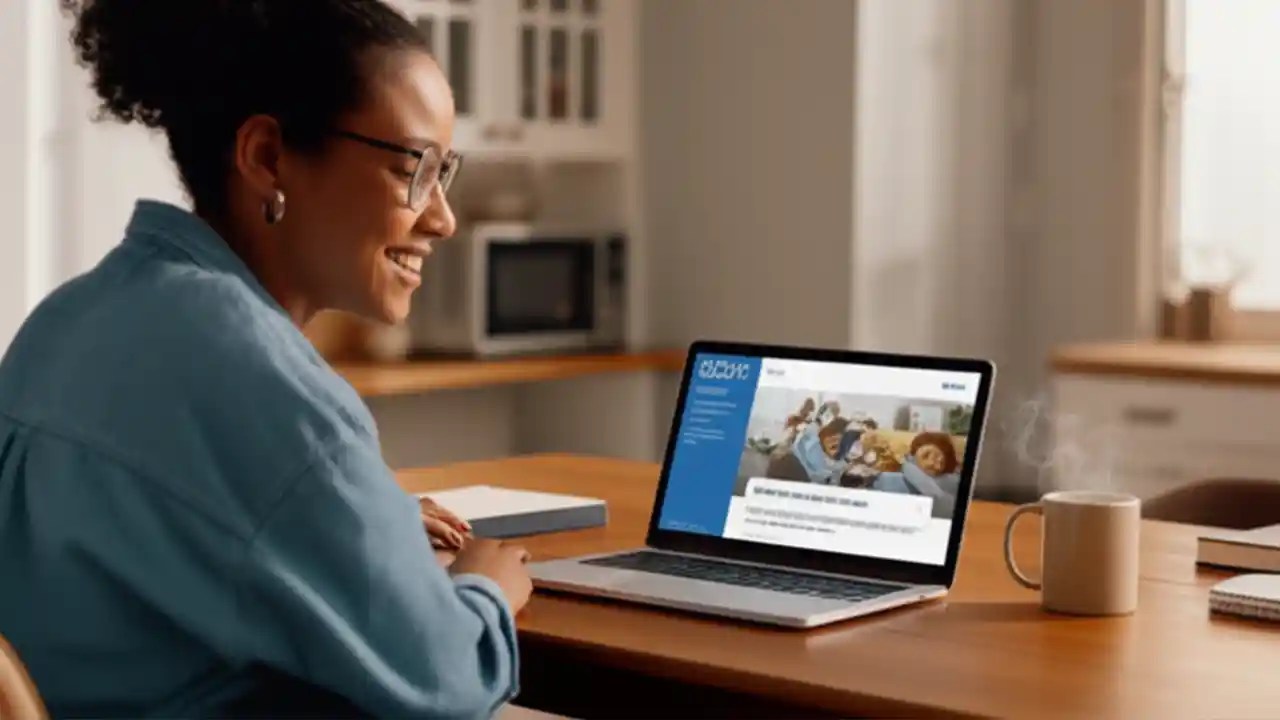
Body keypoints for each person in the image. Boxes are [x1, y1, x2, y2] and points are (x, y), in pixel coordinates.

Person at [0, 1, 530, 717]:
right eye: (414, 168)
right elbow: (447, 683)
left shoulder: (68, 320)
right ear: (268, 158)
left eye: (446, 173)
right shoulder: (263, 384)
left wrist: (361, 522)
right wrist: (487, 588)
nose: (442, 217)